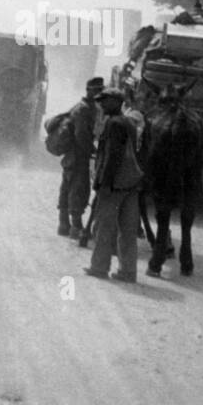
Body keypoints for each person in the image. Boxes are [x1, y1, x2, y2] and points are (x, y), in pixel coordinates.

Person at [85, 87, 143, 282]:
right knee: (128, 231)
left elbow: (111, 157)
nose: (101, 104)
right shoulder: (130, 123)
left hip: (115, 185)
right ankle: (128, 271)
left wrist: (103, 184)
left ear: (117, 103)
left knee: (104, 227)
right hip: (132, 184)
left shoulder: (113, 124)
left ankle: (99, 267)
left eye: (105, 100)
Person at [57, 76, 103, 237]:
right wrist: (94, 150)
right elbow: (81, 135)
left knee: (68, 187)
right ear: (89, 91)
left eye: (101, 91)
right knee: (79, 189)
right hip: (78, 156)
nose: (99, 94)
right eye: (97, 90)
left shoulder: (84, 107)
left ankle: (63, 224)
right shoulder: (84, 109)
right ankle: (75, 226)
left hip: (73, 155)